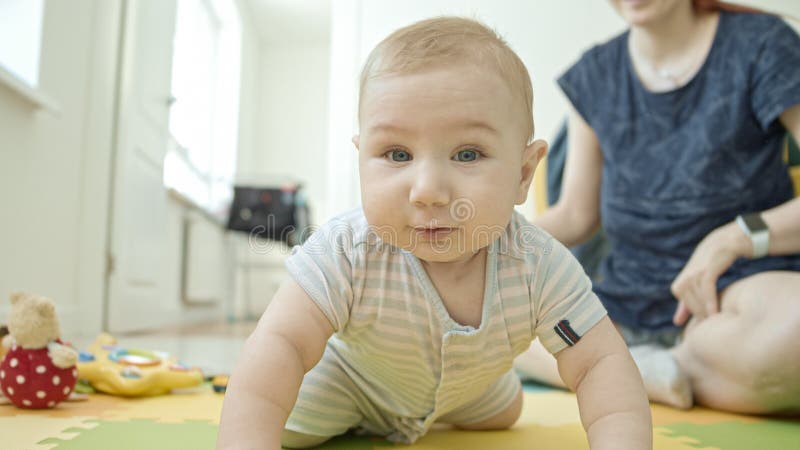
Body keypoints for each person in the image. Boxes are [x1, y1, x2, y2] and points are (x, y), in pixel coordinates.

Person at [217, 16, 652, 450]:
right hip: (350, 384)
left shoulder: (539, 264)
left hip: (467, 390)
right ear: (362, 159)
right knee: (287, 423)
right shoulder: (345, 250)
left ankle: (482, 389)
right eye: (397, 154)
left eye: (467, 154)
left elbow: (599, 363)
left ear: (523, 174)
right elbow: (282, 342)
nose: (426, 191)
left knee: (505, 412)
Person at [514, 0, 800, 414]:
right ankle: (647, 372)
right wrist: (493, 245)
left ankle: (624, 370)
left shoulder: (762, 44)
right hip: (620, 307)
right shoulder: (594, 73)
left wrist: (733, 239)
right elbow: (576, 215)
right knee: (484, 321)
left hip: (733, 296)